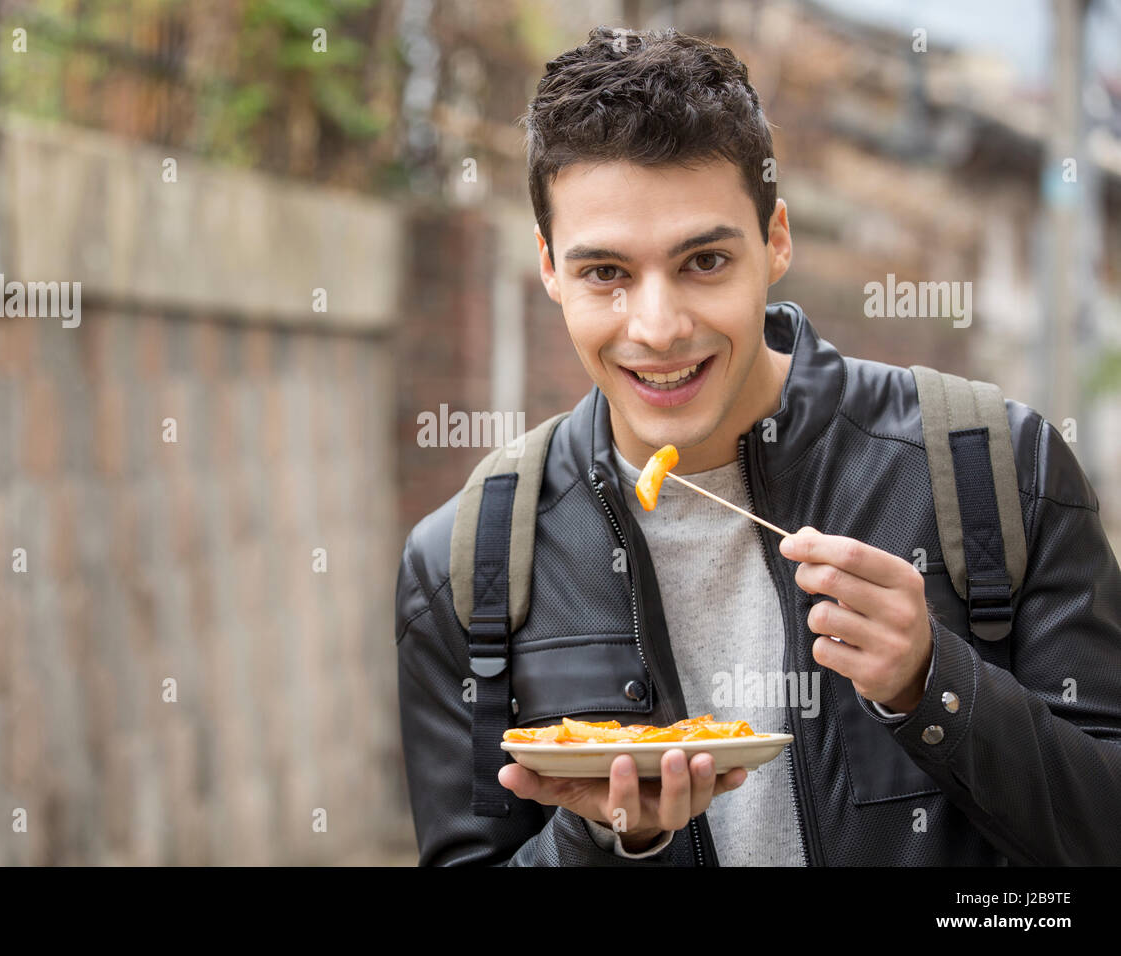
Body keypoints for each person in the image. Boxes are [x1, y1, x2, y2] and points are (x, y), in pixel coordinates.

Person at [393, 26, 1121, 865]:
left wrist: (935, 685)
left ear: (776, 240)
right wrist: (603, 836)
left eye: (703, 261)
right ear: (550, 267)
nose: (659, 328)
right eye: (605, 274)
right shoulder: (464, 564)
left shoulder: (999, 472)